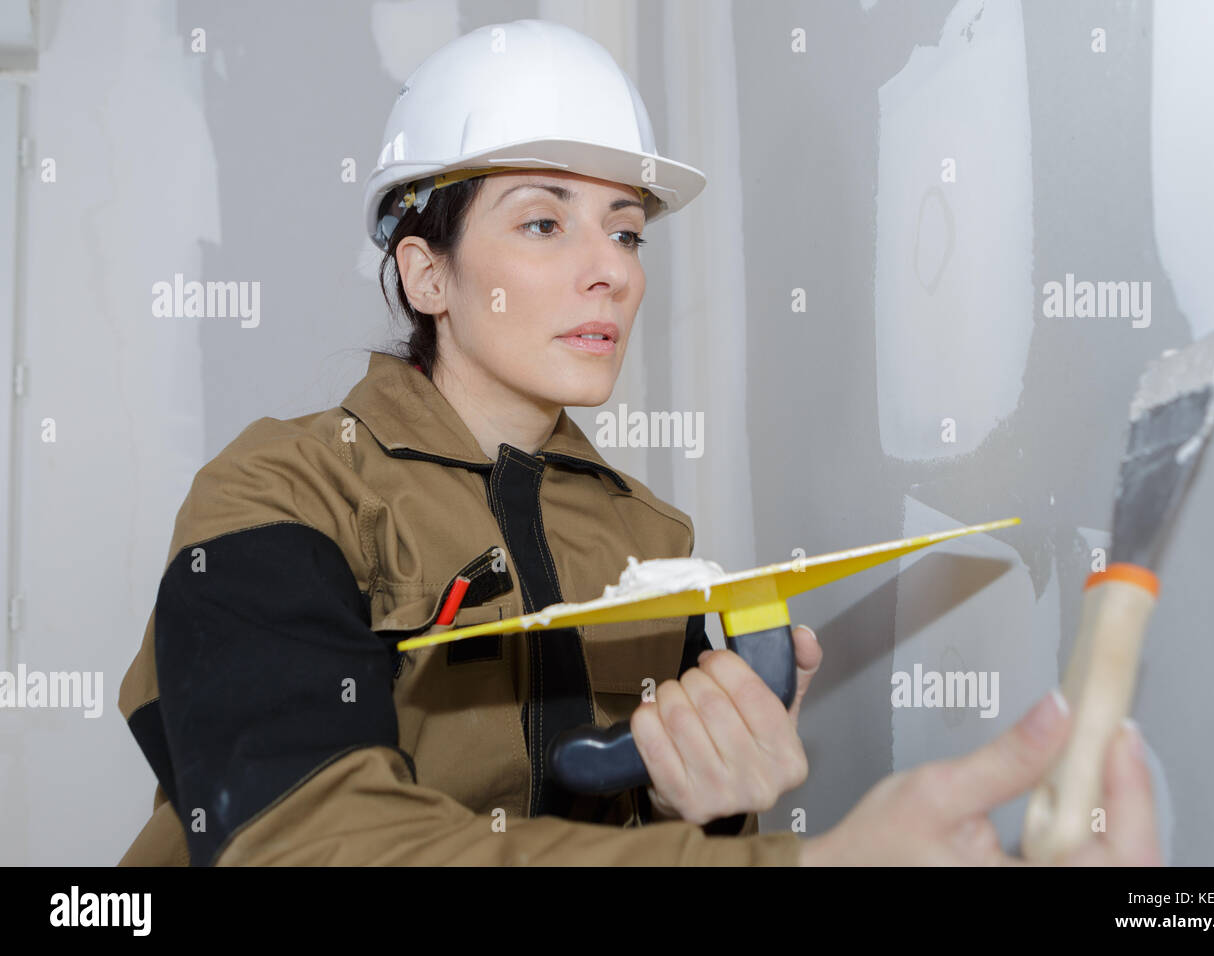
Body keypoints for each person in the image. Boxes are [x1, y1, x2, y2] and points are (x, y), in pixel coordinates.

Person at [116, 18, 1161, 866]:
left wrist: (708, 803)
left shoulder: (651, 538)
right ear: (426, 274)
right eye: (543, 222)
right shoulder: (276, 491)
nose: (611, 268)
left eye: (624, 228)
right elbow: (296, 840)